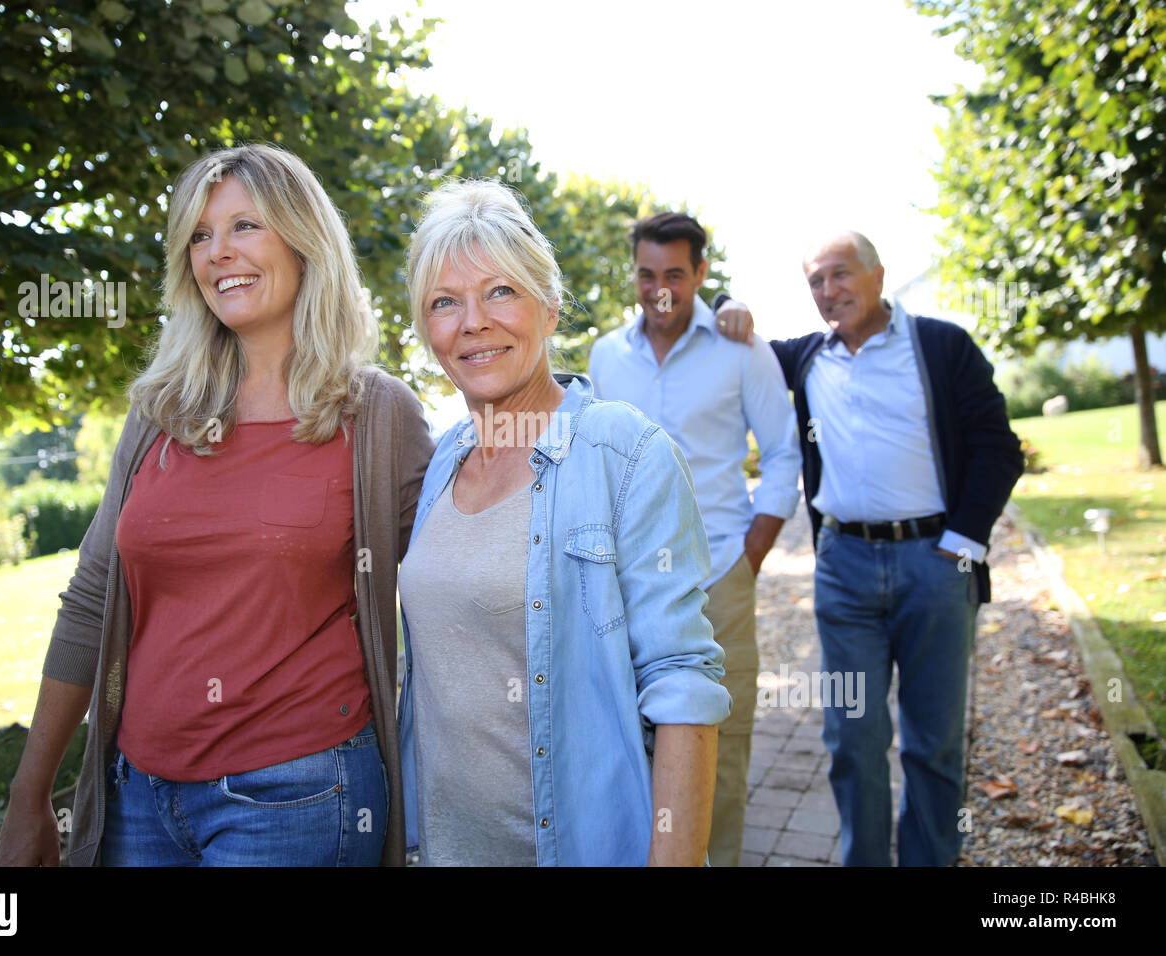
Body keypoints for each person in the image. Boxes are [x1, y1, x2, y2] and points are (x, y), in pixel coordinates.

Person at [0, 144, 433, 867]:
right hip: (137, 796)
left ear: (303, 238)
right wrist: (29, 791)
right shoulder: (157, 413)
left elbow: (447, 592)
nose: (218, 253)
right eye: (200, 235)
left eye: (244, 227)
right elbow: (92, 596)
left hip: (300, 795)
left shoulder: (377, 415)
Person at [397, 181, 731, 866]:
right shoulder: (442, 464)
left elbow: (683, 683)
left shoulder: (624, 452)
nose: (473, 322)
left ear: (549, 308)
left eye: (500, 292)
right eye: (444, 302)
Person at [713, 231, 1024, 865]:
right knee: (852, 737)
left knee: (932, 743)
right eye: (816, 283)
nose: (830, 292)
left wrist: (962, 542)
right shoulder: (804, 359)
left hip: (935, 565)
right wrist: (723, 301)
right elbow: (733, 349)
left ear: (878, 275)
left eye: (840, 275)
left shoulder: (940, 347)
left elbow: (999, 447)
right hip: (845, 570)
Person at [587, 212, 801, 867]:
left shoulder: (743, 351)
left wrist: (750, 555)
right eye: (647, 274)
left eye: (675, 275)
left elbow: (786, 453)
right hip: (622, 585)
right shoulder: (605, 356)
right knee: (623, 738)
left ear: (701, 274)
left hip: (717, 580)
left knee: (720, 744)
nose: (659, 290)